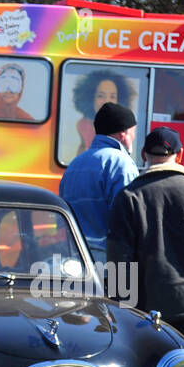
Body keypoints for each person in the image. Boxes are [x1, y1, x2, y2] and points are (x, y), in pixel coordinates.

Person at [106, 127, 184, 367]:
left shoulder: (129, 197)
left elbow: (119, 262)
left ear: (143, 154)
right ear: (181, 155)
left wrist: (121, 313)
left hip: (147, 316)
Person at [59, 101, 138, 264]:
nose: (134, 138)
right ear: (123, 134)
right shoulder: (122, 163)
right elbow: (129, 219)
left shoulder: (74, 165)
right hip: (111, 265)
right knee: (122, 291)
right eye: (133, 132)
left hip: (74, 260)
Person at [71, 70, 135, 156]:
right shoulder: (83, 125)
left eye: (112, 96)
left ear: (119, 100)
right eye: (101, 96)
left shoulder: (126, 127)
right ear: (91, 98)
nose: (107, 101)